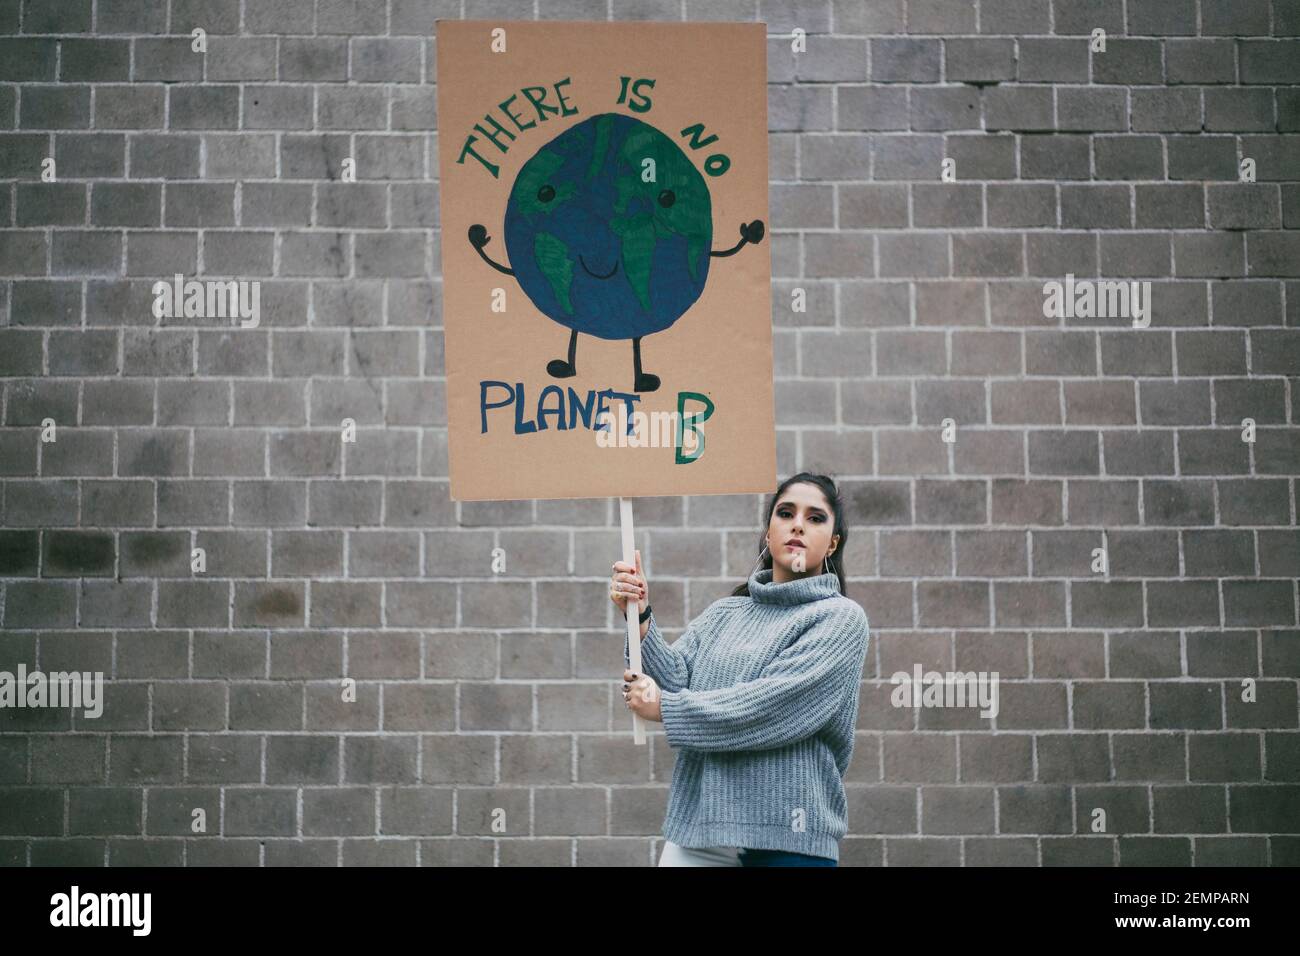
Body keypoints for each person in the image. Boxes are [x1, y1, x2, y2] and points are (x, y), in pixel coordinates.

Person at [611, 473, 870, 867]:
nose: (798, 524)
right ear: (768, 533)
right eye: (785, 513)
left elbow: (773, 708)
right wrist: (640, 616)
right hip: (699, 833)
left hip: (788, 839)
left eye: (815, 518)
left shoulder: (839, 619)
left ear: (833, 542)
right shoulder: (725, 614)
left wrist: (666, 709)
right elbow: (674, 682)